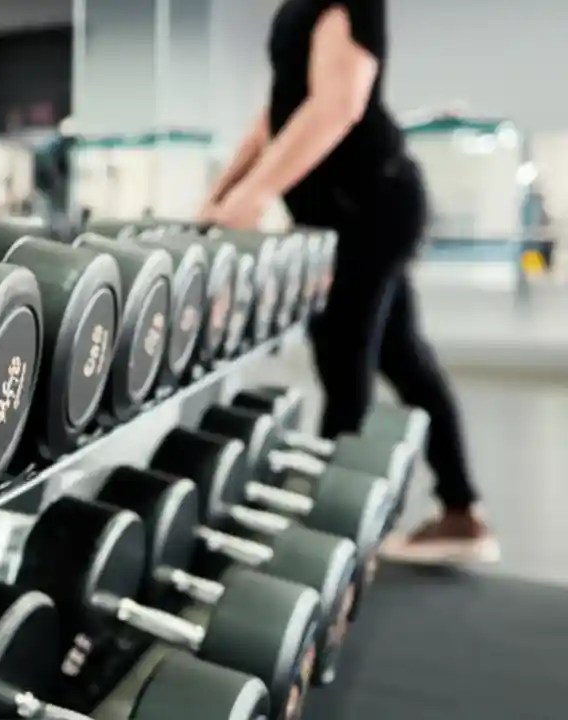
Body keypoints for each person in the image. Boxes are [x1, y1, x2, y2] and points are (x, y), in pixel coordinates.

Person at [201, 0, 497, 564]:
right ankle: (461, 511)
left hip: (371, 207)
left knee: (343, 358)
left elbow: (338, 106)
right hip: (346, 213)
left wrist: (255, 196)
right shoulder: (297, 8)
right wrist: (222, 194)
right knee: (403, 358)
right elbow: (276, 116)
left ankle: (331, 542)